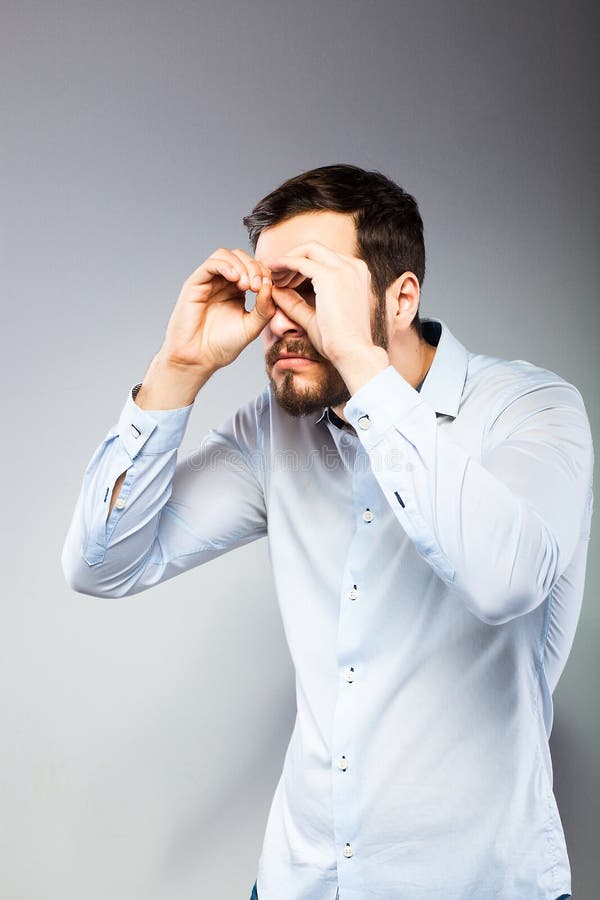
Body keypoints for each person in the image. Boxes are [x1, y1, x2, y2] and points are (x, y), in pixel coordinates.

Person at [61, 164, 592, 900]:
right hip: (297, 883)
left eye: (310, 289)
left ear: (400, 298)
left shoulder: (532, 410)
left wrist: (365, 370)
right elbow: (99, 564)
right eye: (271, 290)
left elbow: (505, 581)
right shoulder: (275, 431)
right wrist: (177, 370)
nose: (279, 319)